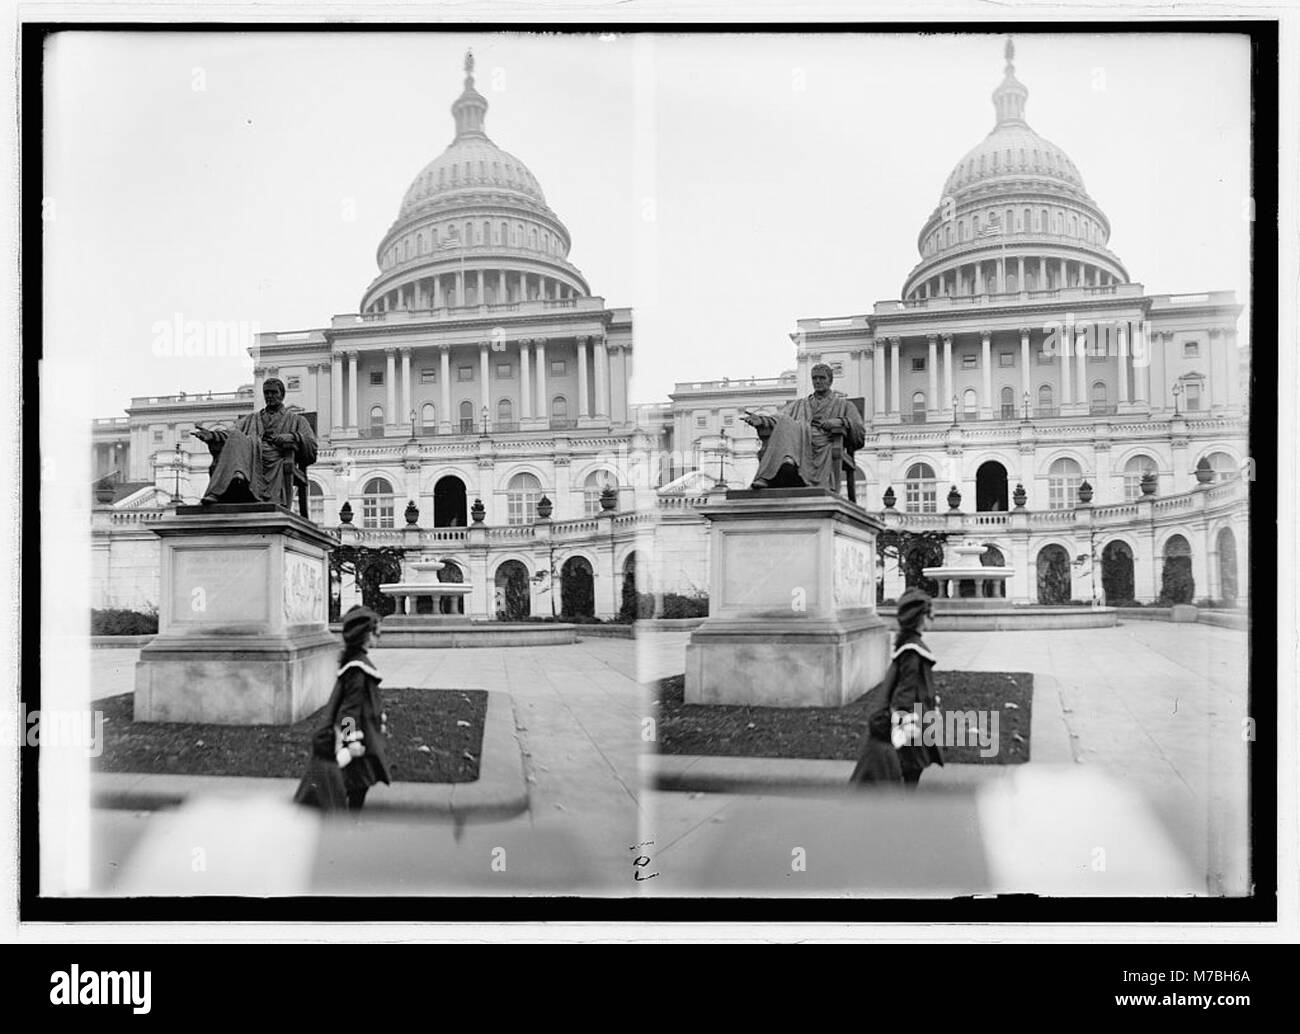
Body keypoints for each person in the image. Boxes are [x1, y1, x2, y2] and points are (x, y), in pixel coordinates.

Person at [293, 605, 391, 814]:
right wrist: (352, 741)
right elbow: (348, 712)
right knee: (355, 783)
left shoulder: (357, 664)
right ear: (366, 635)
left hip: (362, 736)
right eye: (377, 632)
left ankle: (346, 823)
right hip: (357, 742)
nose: (379, 637)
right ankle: (346, 826)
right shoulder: (357, 668)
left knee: (357, 783)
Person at [849, 587, 944, 789]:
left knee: (908, 773)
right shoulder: (913, 650)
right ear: (921, 617)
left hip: (914, 723)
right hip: (911, 726)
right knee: (909, 774)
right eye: (931, 614)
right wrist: (902, 737)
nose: (933, 619)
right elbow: (904, 695)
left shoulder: (910, 646)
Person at [193, 377, 317, 508]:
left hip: (274, 457)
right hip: (250, 454)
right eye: (267, 393)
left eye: (274, 392)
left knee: (241, 443)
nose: (270, 396)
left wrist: (293, 437)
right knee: (236, 436)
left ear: (282, 394)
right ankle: (233, 479)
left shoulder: (297, 419)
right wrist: (213, 435)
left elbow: (311, 443)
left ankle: (236, 478)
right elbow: (229, 433)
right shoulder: (252, 418)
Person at [740, 363, 865, 490]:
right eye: (814, 378)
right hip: (798, 440)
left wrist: (840, 422)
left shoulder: (844, 405)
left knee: (789, 425)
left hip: (823, 441)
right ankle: (783, 464)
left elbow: (859, 429)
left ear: (830, 380)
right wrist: (762, 420)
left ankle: (777, 470)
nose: (818, 381)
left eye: (822, 378)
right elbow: (778, 418)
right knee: (785, 420)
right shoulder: (800, 404)